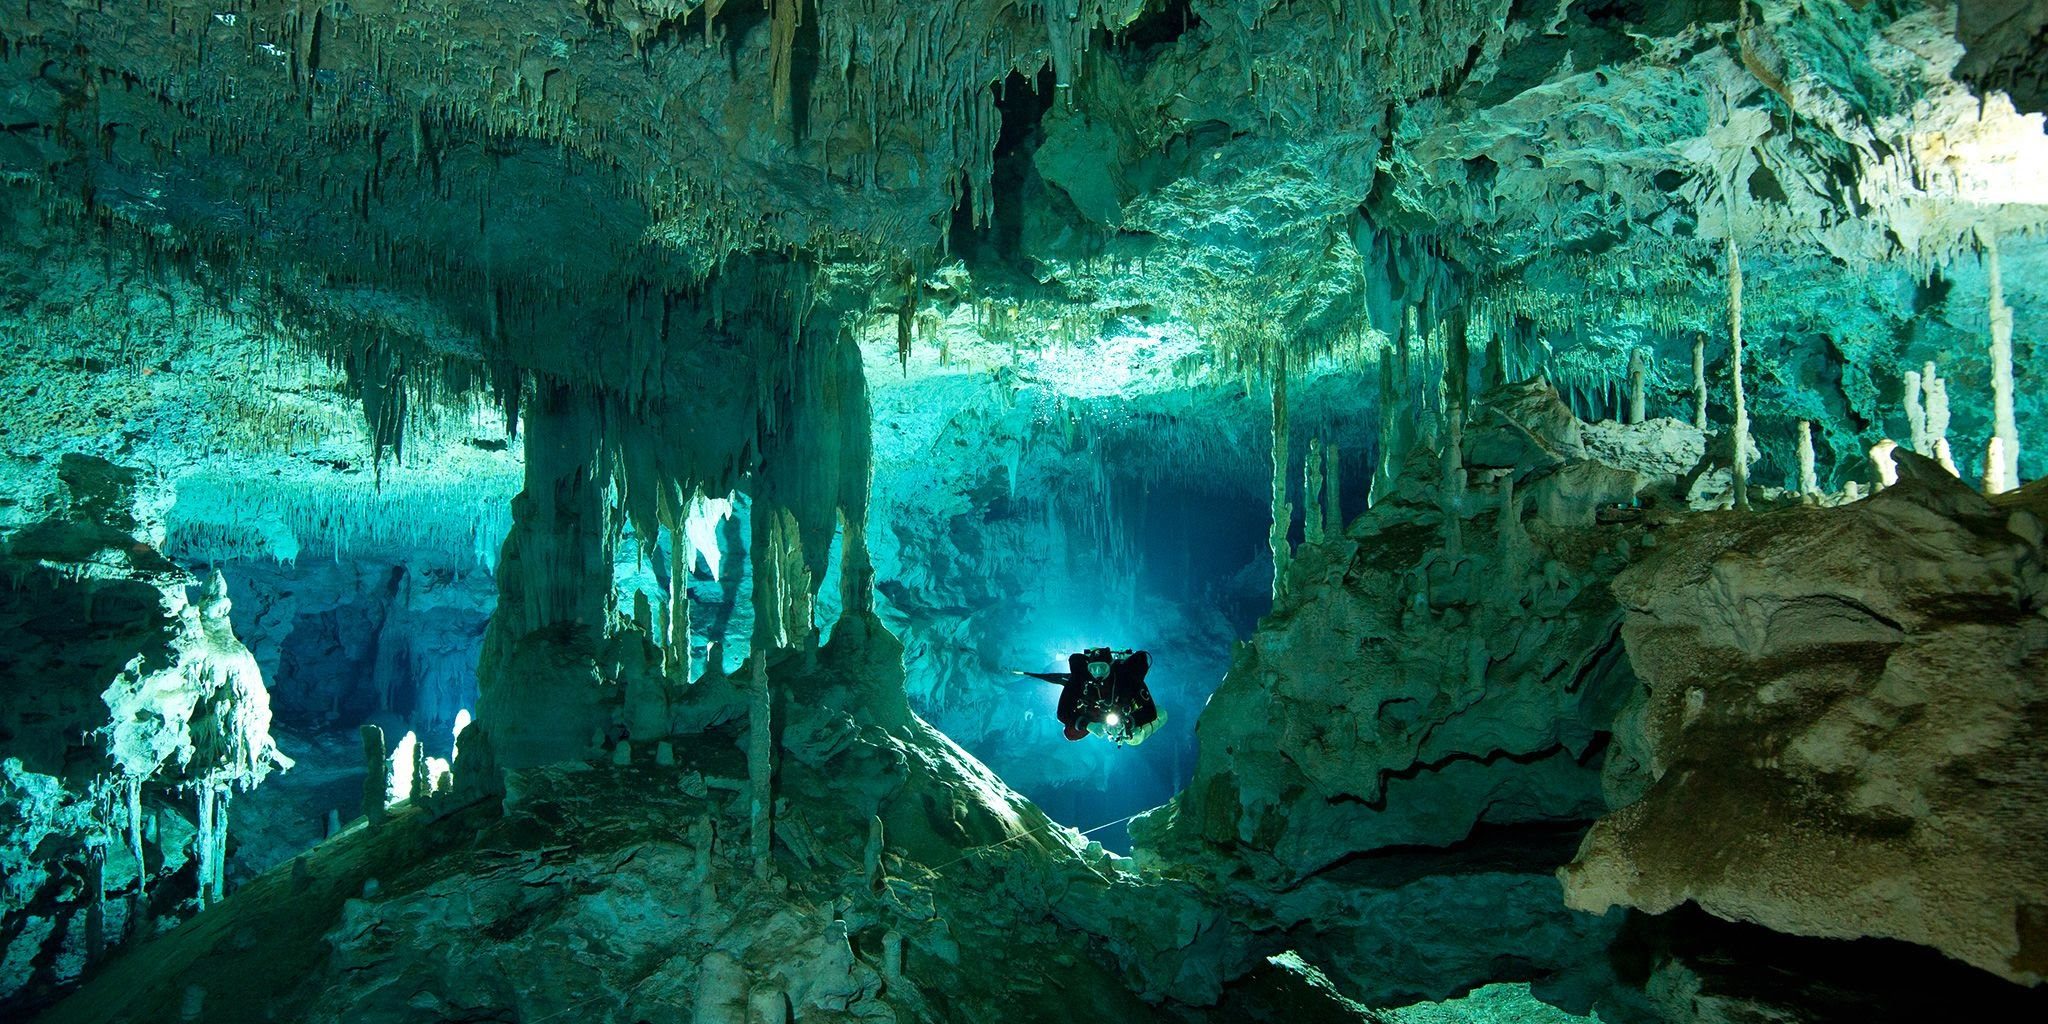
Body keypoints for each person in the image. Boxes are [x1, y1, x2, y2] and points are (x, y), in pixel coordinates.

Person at [1040, 647, 1159, 744]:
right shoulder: (1080, 679)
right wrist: (1088, 725)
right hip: (1094, 714)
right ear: (1088, 668)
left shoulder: (1127, 678)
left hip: (1121, 712)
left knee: (1134, 736)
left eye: (1102, 667)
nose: (1097, 672)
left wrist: (1126, 722)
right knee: (1070, 733)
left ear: (1111, 665)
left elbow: (1151, 712)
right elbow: (1062, 713)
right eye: (1093, 668)